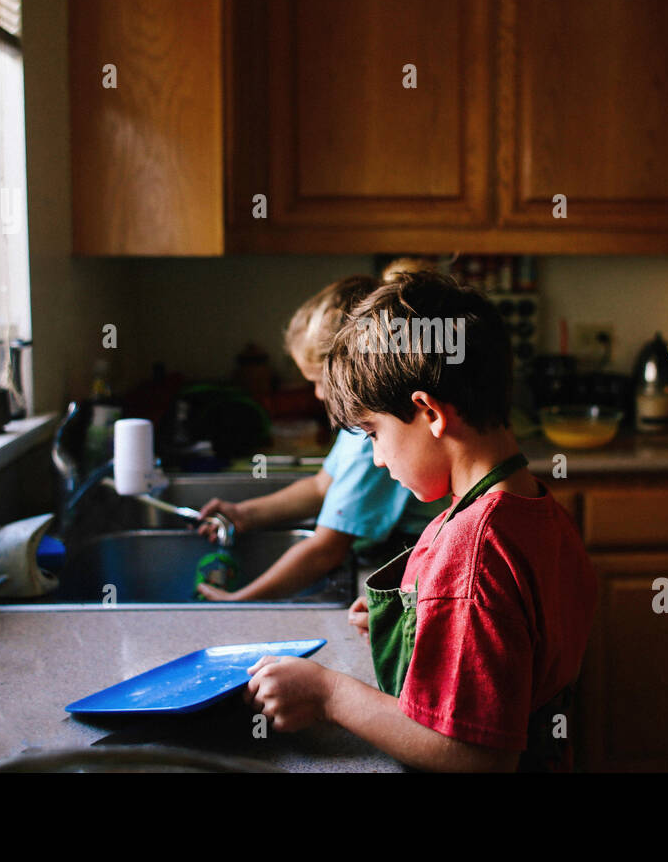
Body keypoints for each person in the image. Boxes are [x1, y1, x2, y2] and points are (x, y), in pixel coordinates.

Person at [243, 271, 598, 771]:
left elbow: (477, 756)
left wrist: (328, 694)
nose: (377, 460)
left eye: (373, 433)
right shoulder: (537, 507)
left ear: (429, 412)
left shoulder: (473, 549)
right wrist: (422, 619)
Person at [195, 274, 443, 601]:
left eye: (319, 380)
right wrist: (244, 514)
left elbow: (324, 551)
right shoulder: (360, 427)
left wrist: (240, 601)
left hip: (409, 567)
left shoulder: (373, 439)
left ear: (353, 365)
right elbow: (320, 486)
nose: (317, 393)